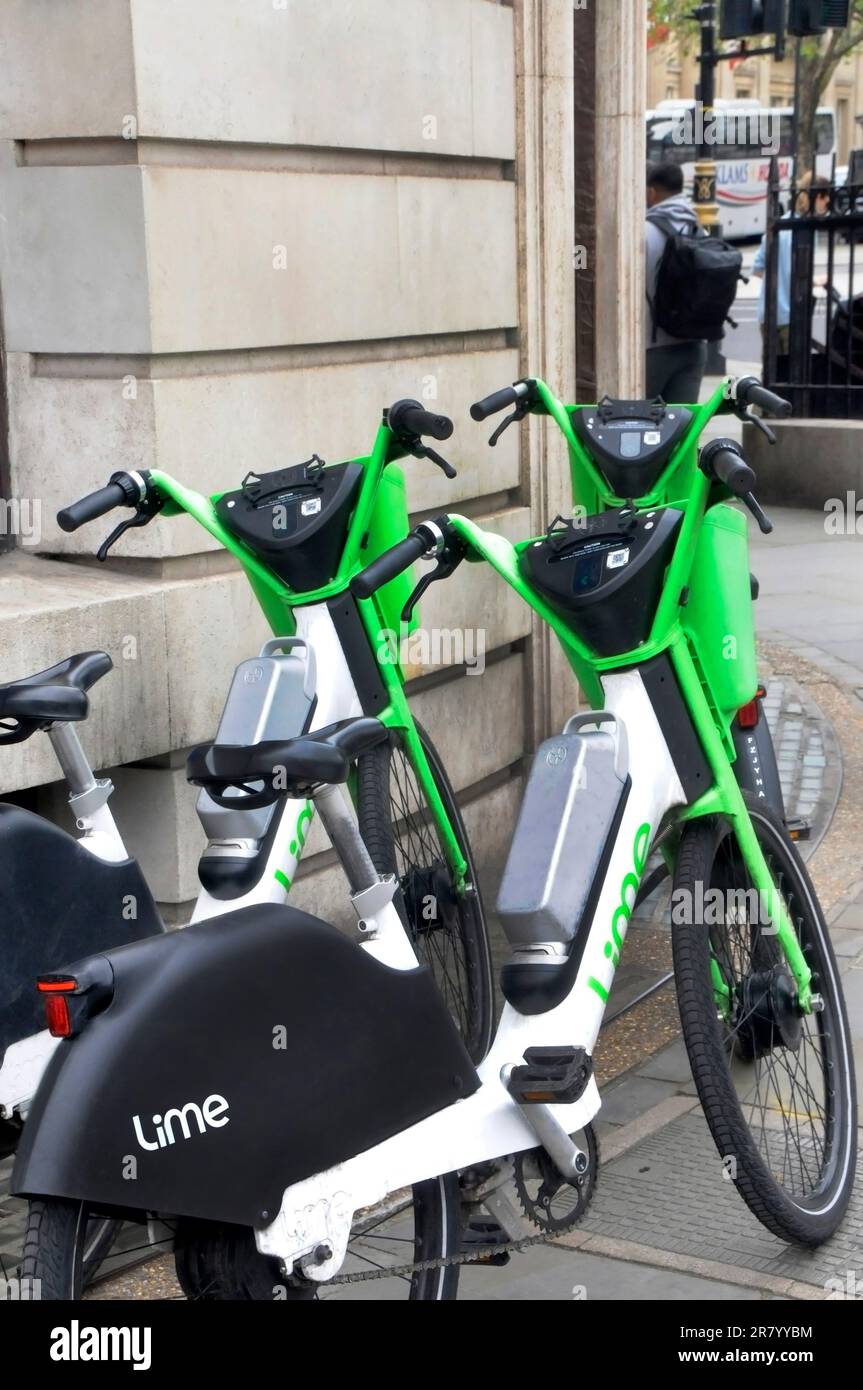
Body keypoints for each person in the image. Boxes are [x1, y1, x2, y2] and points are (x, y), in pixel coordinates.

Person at [645, 162, 708, 403]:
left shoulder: (645, 231)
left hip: (654, 346)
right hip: (695, 346)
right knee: (682, 430)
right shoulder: (698, 230)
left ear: (651, 192)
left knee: (640, 427)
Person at [751, 172, 831, 356]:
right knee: (792, 375)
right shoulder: (807, 232)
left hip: (768, 313)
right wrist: (814, 280)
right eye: (826, 198)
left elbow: (757, 268)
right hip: (791, 315)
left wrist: (779, 279)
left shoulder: (780, 224)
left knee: (772, 373)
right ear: (818, 197)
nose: (827, 203)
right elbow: (801, 273)